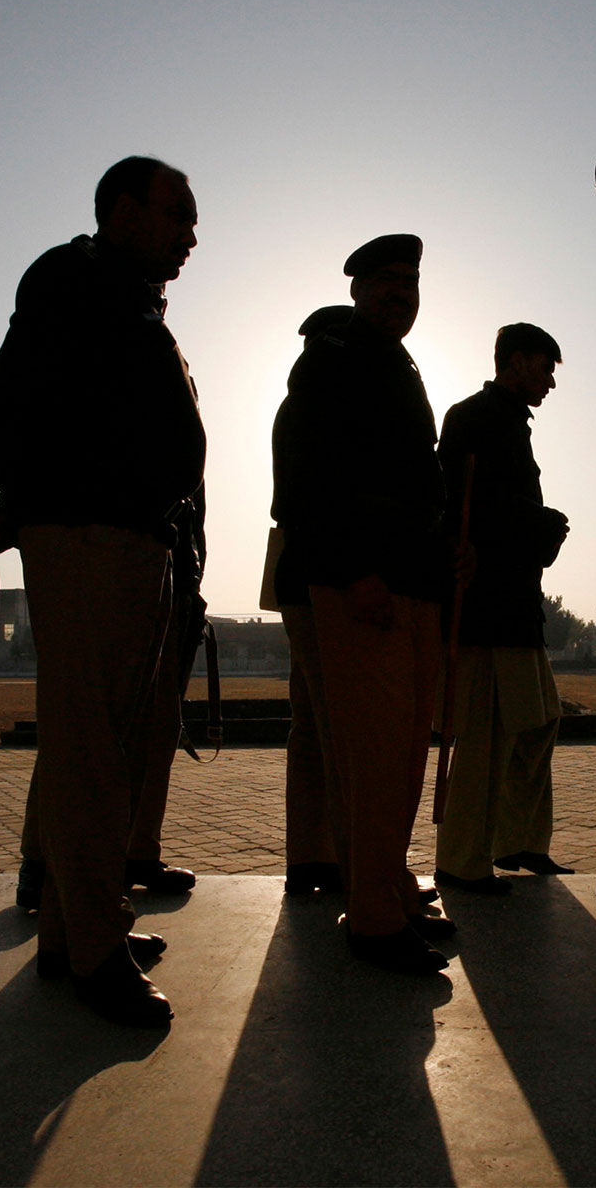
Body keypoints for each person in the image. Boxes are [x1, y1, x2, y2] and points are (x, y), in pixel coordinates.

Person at [0, 155, 204, 1026]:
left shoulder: (127, 296)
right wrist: (54, 506)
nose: (191, 233)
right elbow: (8, 408)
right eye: (176, 212)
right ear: (120, 209)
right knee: (89, 749)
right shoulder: (73, 281)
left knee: (107, 745)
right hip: (90, 538)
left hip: (127, 539)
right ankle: (94, 951)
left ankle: (76, 931)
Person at [271, 234, 454, 975]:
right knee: (375, 758)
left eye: (409, 282)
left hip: (409, 581)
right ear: (355, 290)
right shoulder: (331, 363)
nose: (398, 294)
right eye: (384, 281)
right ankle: (374, 920)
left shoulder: (394, 366)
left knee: (402, 754)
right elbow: (307, 481)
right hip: (365, 584)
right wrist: (353, 571)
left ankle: (392, 892)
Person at [434, 323, 572, 893]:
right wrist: (541, 527)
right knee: (486, 737)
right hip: (486, 606)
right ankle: (463, 861)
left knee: (540, 722)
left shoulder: (511, 422)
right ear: (516, 363)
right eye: (545, 368)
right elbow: (462, 508)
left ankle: (517, 841)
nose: (550, 382)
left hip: (517, 603)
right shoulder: (472, 418)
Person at [275, 306, 355, 897]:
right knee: (339, 724)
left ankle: (310, 858)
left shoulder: (297, 400)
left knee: (310, 725)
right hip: (329, 571)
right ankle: (356, 867)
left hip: (298, 567)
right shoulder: (324, 399)